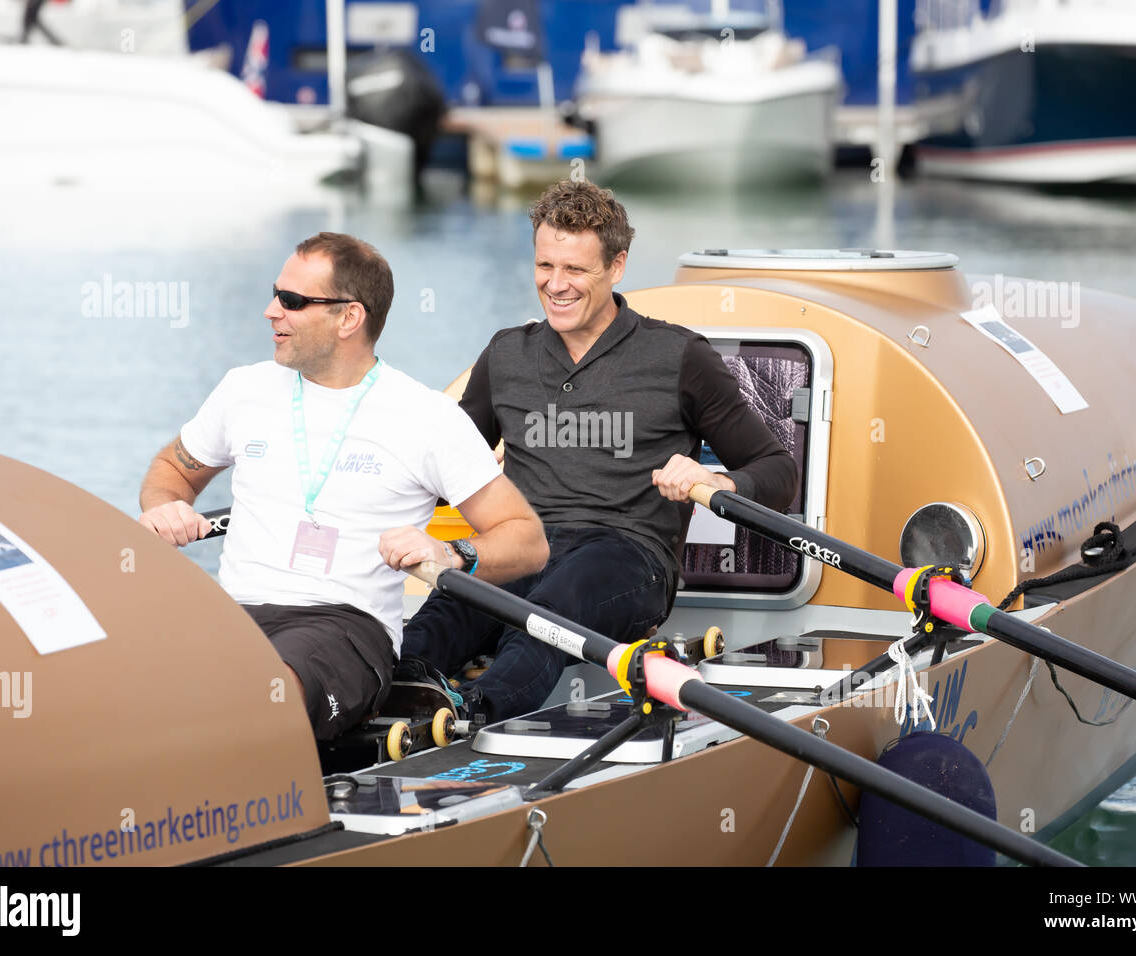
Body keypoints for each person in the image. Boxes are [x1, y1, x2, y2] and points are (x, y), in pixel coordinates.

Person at [400, 181, 799, 722]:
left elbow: (778, 471)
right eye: (545, 266)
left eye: (575, 270)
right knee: (440, 617)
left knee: (557, 604)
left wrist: (721, 482)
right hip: (524, 546)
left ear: (617, 266)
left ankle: (472, 717)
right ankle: (391, 702)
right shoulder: (505, 354)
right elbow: (440, 464)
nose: (555, 285)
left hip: (628, 556)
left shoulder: (679, 357)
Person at [137, 233, 547, 740]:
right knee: (123, 681)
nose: (270, 311)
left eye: (291, 301)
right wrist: (165, 505)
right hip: (233, 614)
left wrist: (452, 552)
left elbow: (526, 539)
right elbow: (172, 470)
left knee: (258, 694)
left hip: (344, 627)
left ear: (349, 318)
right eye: (275, 294)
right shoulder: (244, 389)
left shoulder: (426, 418)